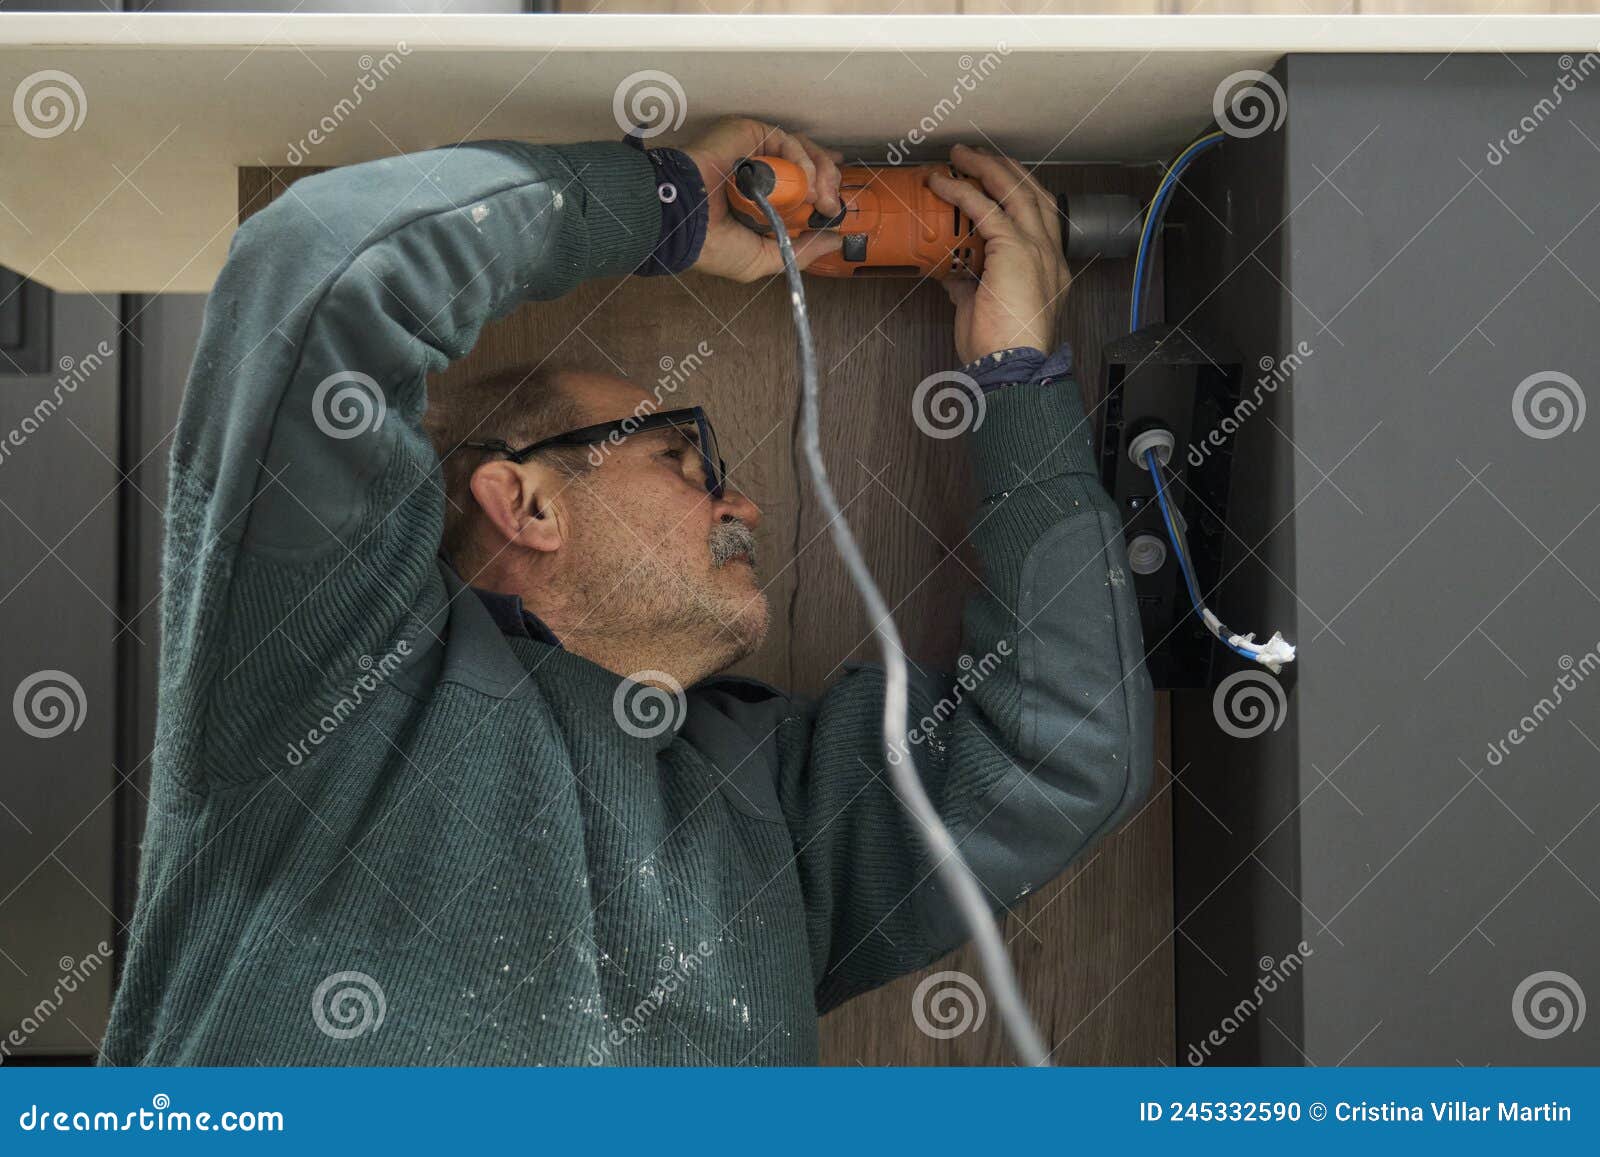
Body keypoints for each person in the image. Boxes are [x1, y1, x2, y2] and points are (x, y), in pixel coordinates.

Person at [101, 116, 1153, 1065]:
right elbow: (325, 261)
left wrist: (1016, 379)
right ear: (525, 500)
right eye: (680, 456)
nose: (746, 505)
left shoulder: (774, 808)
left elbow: (1061, 746)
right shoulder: (339, 673)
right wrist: (668, 203)